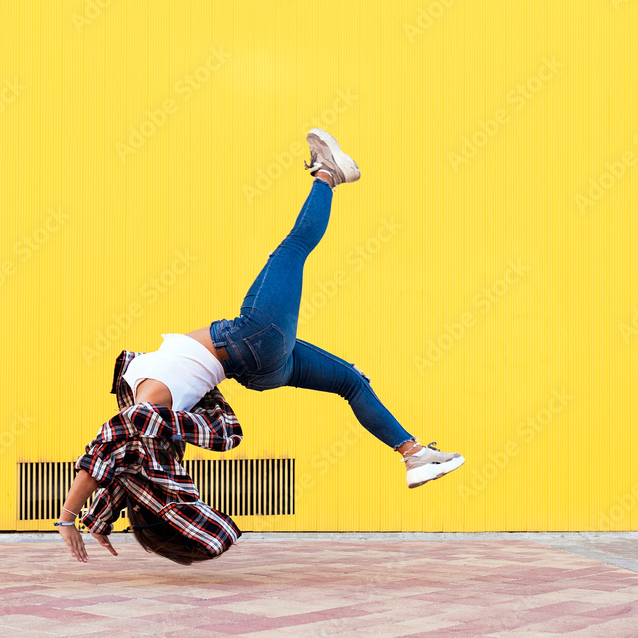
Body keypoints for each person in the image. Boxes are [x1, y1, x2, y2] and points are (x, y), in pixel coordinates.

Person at [57, 129, 465, 565]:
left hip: (258, 369)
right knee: (293, 248)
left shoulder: (148, 431)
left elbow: (121, 469)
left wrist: (99, 518)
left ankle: (414, 455)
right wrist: (67, 517)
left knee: (351, 382)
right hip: (249, 339)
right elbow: (105, 450)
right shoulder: (146, 411)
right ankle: (329, 173)